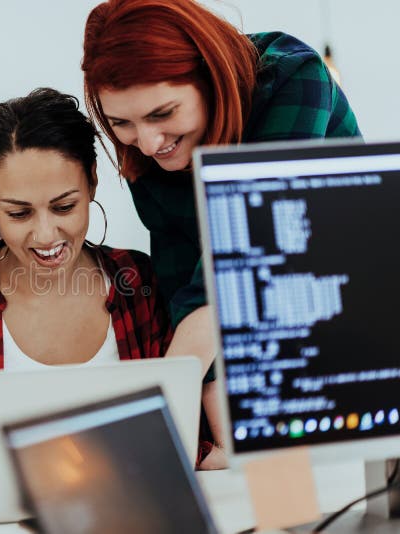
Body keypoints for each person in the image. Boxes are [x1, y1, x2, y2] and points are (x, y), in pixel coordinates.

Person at [81, 0, 361, 466]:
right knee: (269, 503)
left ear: (208, 73)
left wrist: (162, 426)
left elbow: (238, 262)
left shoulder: (293, 79)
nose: (149, 143)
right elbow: (184, 292)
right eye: (121, 124)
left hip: (347, 327)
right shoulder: (150, 161)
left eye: (162, 113)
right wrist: (216, 445)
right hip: (246, 354)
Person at [0, 88, 178, 496]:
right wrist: (28, 482)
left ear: (93, 181)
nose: (45, 235)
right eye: (19, 213)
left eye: (64, 207)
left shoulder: (138, 282)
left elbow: (180, 421)